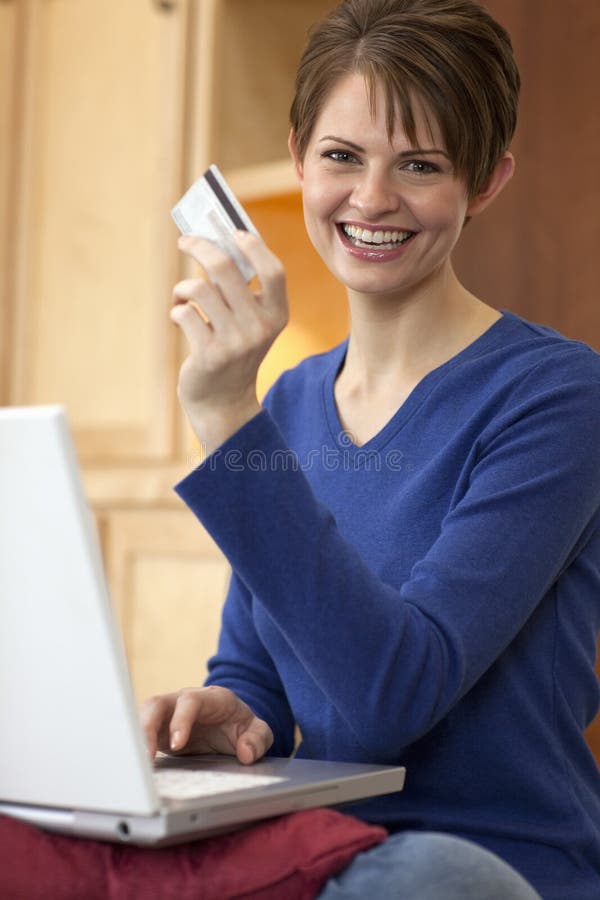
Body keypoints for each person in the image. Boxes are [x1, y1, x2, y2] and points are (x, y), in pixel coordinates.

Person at [142, 1, 600, 897]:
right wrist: (230, 717)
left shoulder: (561, 398)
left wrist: (229, 419)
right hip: (318, 848)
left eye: (420, 166)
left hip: (486, 864)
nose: (372, 199)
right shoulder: (295, 398)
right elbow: (258, 673)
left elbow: (394, 696)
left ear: (486, 181)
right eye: (342, 157)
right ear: (299, 158)